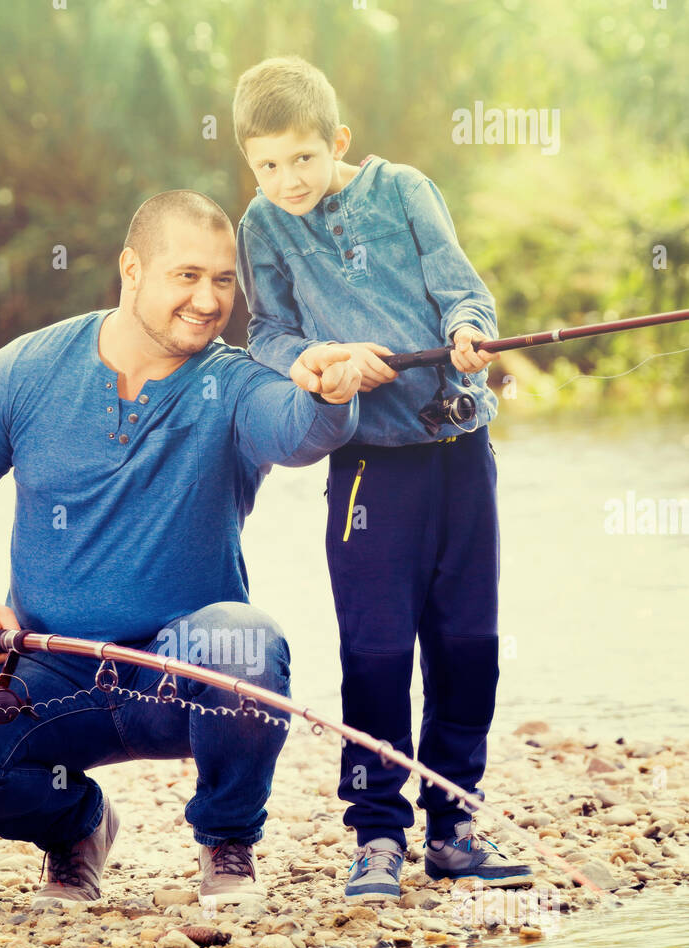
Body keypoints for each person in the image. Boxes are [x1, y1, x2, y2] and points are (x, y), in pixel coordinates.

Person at [0, 189, 361, 910]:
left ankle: (227, 842)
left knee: (250, 642)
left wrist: (329, 393)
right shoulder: (24, 372)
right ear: (132, 269)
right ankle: (77, 827)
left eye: (222, 279)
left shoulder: (236, 382)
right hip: (50, 671)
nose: (209, 300)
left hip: (180, 676)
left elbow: (299, 431)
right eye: (187, 275)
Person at [232, 55, 533, 901]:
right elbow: (269, 337)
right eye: (267, 164)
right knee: (373, 652)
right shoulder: (263, 226)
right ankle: (375, 836)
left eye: (302, 158)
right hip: (367, 463)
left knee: (469, 643)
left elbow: (460, 290)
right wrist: (320, 360)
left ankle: (454, 823)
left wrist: (470, 331)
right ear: (249, 164)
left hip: (460, 448)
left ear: (338, 140)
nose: (287, 180)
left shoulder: (404, 190)